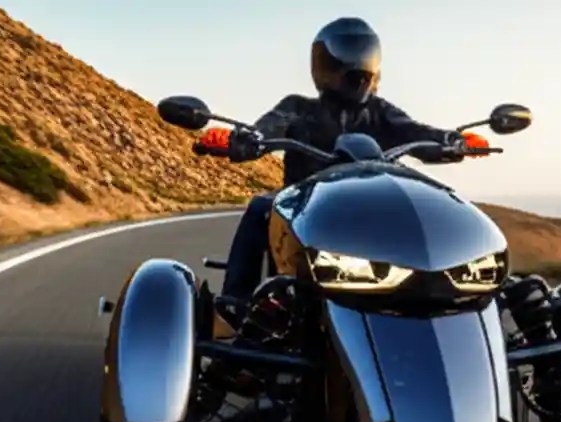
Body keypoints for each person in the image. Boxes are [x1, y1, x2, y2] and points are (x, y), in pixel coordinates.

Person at [207, 17, 488, 302]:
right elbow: (267, 128)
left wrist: (453, 141)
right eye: (335, 61)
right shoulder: (298, 108)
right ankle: (235, 305)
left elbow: (415, 132)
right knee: (261, 208)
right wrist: (240, 139)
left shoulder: (380, 111)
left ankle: (441, 298)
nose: (345, 70)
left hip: (371, 204)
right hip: (304, 203)